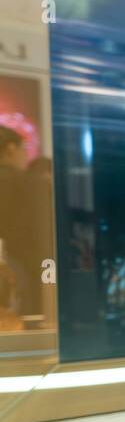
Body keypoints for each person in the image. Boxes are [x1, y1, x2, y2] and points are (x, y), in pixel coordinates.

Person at [0, 126, 53, 317]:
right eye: (24, 149)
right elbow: (45, 244)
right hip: (28, 283)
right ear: (11, 149)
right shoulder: (32, 185)